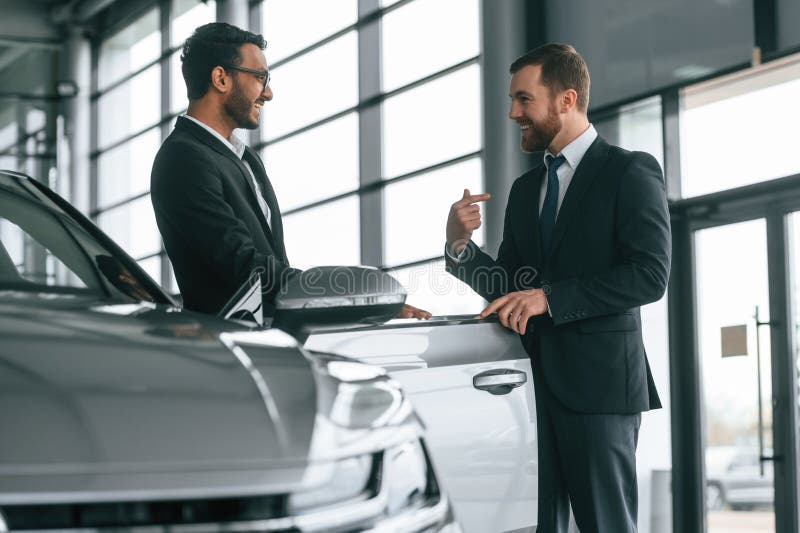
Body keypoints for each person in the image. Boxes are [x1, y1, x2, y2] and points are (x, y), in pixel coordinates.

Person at [444, 43, 670, 532]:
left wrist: (550, 297)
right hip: (530, 393)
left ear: (566, 99)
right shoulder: (526, 191)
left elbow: (650, 275)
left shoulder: (628, 170)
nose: (512, 112)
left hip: (600, 394)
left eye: (524, 100)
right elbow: (509, 287)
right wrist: (460, 248)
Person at [151, 22, 429, 319]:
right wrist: (347, 297)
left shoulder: (243, 157)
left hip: (271, 338)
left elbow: (269, 264)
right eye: (260, 77)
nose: (268, 93)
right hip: (231, 345)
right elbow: (240, 263)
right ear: (221, 78)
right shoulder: (183, 158)